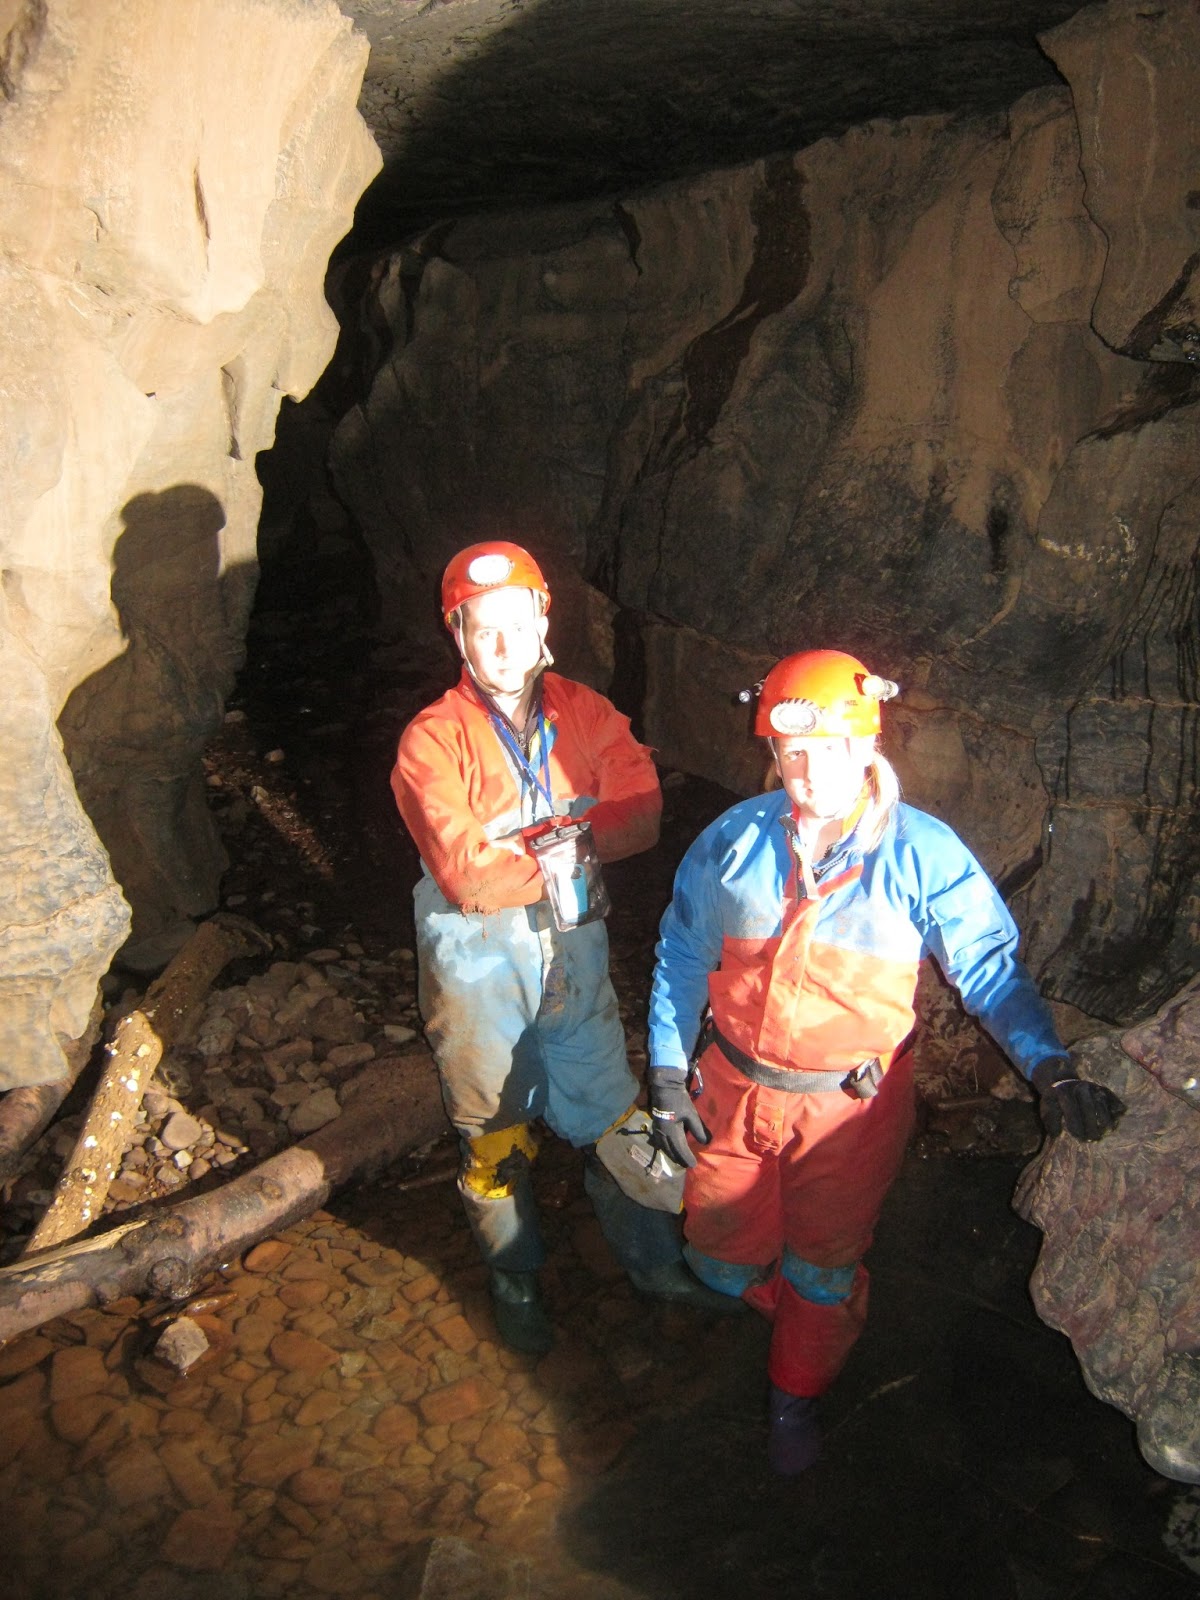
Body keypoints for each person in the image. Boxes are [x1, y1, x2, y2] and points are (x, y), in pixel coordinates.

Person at [646, 648, 1125, 1473]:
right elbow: (682, 953)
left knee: (823, 1270)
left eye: (829, 749)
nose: (809, 772)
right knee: (718, 1256)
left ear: (868, 744)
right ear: (773, 750)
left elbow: (989, 970)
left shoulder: (921, 852)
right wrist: (663, 1069)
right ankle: (778, 1307)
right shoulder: (733, 840)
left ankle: (795, 1392)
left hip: (848, 1112)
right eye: (793, 751)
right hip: (732, 1090)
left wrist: (1050, 1065)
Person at [392, 540, 727, 1353]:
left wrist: (524, 854)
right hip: (477, 977)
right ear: (458, 636)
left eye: (517, 622)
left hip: (575, 962)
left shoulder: (588, 713)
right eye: (483, 629)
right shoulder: (431, 740)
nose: (504, 644)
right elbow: (467, 878)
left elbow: (642, 817)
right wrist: (571, 843)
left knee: (615, 1121)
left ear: (544, 620)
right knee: (493, 1137)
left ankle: (654, 1267)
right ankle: (514, 1279)